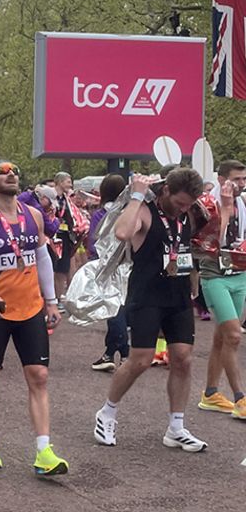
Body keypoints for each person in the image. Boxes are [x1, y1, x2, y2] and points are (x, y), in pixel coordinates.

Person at [0, 158, 69, 475]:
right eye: (3, 172)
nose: (11, 176)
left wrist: (51, 301)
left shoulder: (33, 216)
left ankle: (43, 451)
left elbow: (43, 259)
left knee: (38, 376)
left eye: (15, 172)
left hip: (32, 308)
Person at [94, 168, 208, 452]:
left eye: (189, 204)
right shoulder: (145, 210)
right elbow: (121, 233)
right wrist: (136, 195)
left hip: (178, 292)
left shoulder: (188, 213)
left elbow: (188, 246)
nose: (184, 208)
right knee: (141, 360)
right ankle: (107, 413)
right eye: (180, 203)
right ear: (166, 190)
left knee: (183, 358)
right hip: (147, 293)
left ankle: (176, 427)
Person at [195, 160, 246, 418]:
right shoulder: (206, 203)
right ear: (221, 178)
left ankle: (211, 393)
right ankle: (241, 398)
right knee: (234, 336)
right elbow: (209, 242)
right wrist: (225, 208)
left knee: (222, 336)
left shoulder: (244, 203)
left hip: (240, 274)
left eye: (243, 179)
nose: (241, 184)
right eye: (236, 179)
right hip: (214, 274)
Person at [89, 174, 130, 372]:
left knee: (114, 312)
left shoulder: (101, 214)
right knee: (118, 309)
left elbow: (94, 241)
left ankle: (124, 354)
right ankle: (109, 353)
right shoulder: (129, 212)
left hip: (108, 267)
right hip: (128, 265)